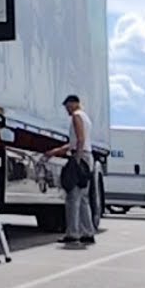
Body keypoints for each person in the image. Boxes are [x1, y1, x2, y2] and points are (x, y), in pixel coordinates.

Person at [47, 94, 96, 246]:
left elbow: (79, 140)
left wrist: (77, 160)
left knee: (72, 198)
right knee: (83, 198)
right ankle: (88, 232)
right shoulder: (85, 117)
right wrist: (55, 151)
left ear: (73, 104)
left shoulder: (76, 116)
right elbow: (75, 142)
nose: (67, 110)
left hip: (80, 156)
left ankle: (73, 233)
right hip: (88, 156)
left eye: (67, 106)